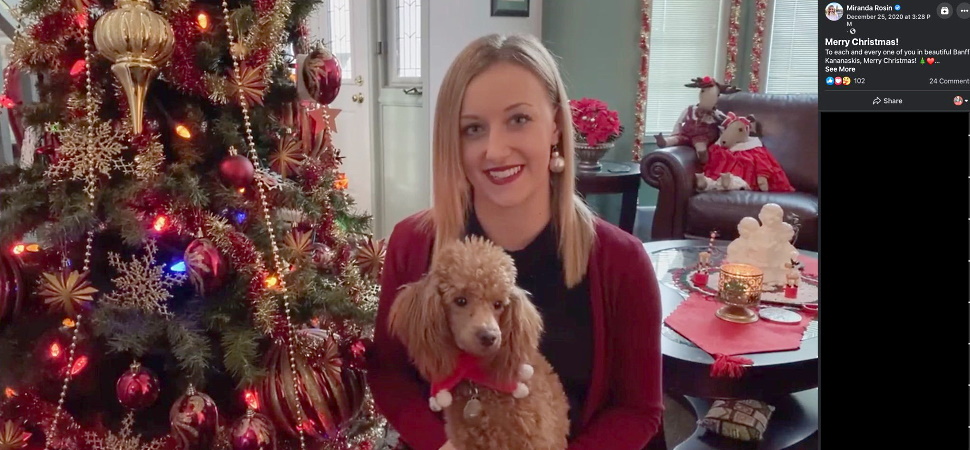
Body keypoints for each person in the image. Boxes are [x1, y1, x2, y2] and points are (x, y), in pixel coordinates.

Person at [367, 33, 664, 450]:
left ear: (555, 125)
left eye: (519, 119)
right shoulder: (412, 244)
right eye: (473, 129)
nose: (495, 150)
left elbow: (637, 409)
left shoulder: (622, 263)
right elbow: (389, 374)